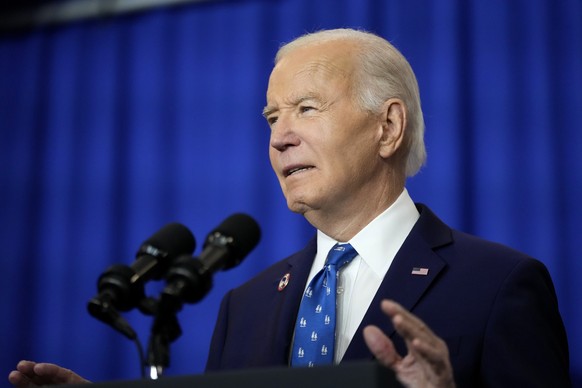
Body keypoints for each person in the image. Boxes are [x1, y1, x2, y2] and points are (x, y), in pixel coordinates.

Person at [8, 28, 571, 388]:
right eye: (272, 118)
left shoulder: (500, 286)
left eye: (306, 108)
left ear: (388, 127)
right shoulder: (243, 308)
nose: (280, 137)